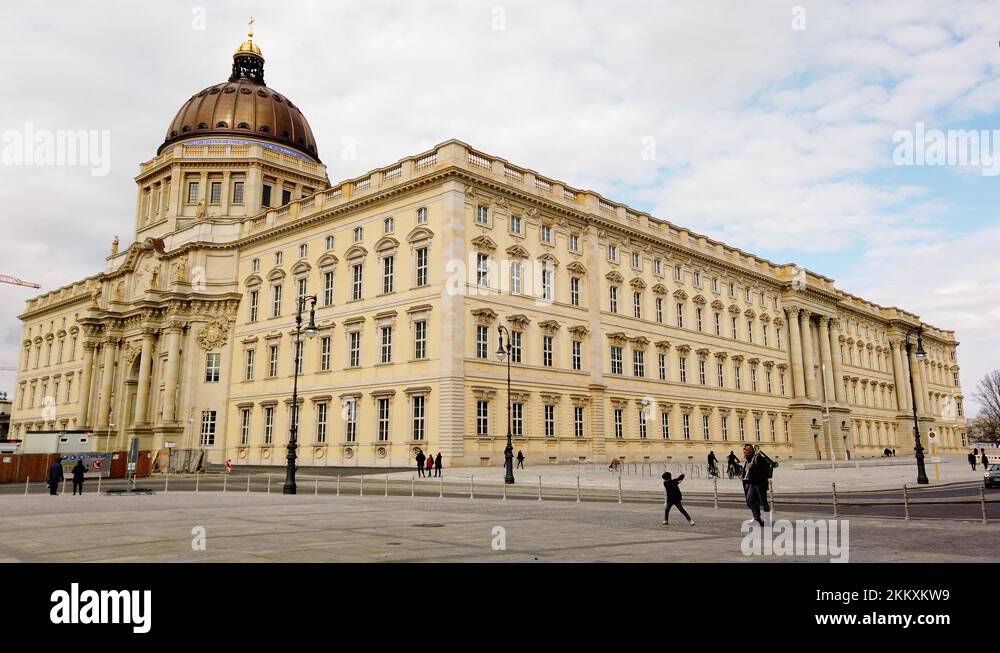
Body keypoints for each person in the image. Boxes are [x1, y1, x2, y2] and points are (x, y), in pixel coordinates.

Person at [742, 444, 770, 526]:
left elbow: (764, 471)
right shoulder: (748, 460)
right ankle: (757, 518)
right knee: (750, 499)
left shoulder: (758, 458)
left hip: (760, 484)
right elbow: (747, 472)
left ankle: (767, 520)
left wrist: (753, 468)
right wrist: (747, 482)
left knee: (763, 502)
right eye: (747, 450)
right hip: (752, 483)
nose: (748, 451)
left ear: (753, 450)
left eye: (750, 449)